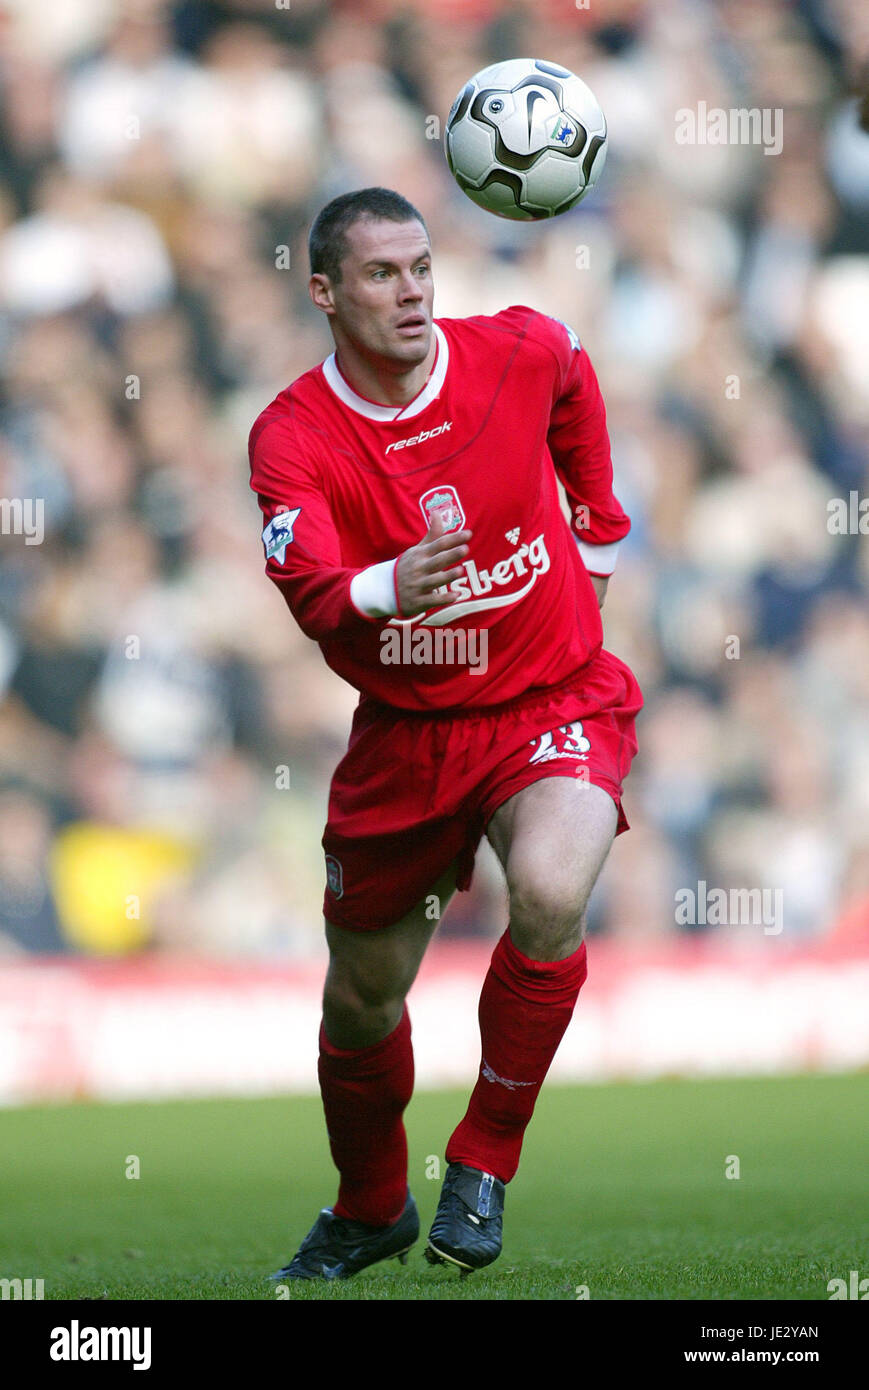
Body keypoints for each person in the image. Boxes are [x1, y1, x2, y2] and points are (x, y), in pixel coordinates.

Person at [249, 186, 642, 1280]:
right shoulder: (292, 435)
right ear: (324, 292)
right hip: (410, 734)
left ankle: (482, 1158)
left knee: (555, 888)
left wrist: (598, 535)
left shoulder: (511, 349)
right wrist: (386, 586)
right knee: (363, 995)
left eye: (420, 266)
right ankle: (372, 1205)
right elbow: (313, 593)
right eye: (381, 274)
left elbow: (571, 366)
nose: (411, 290)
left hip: (549, 698)